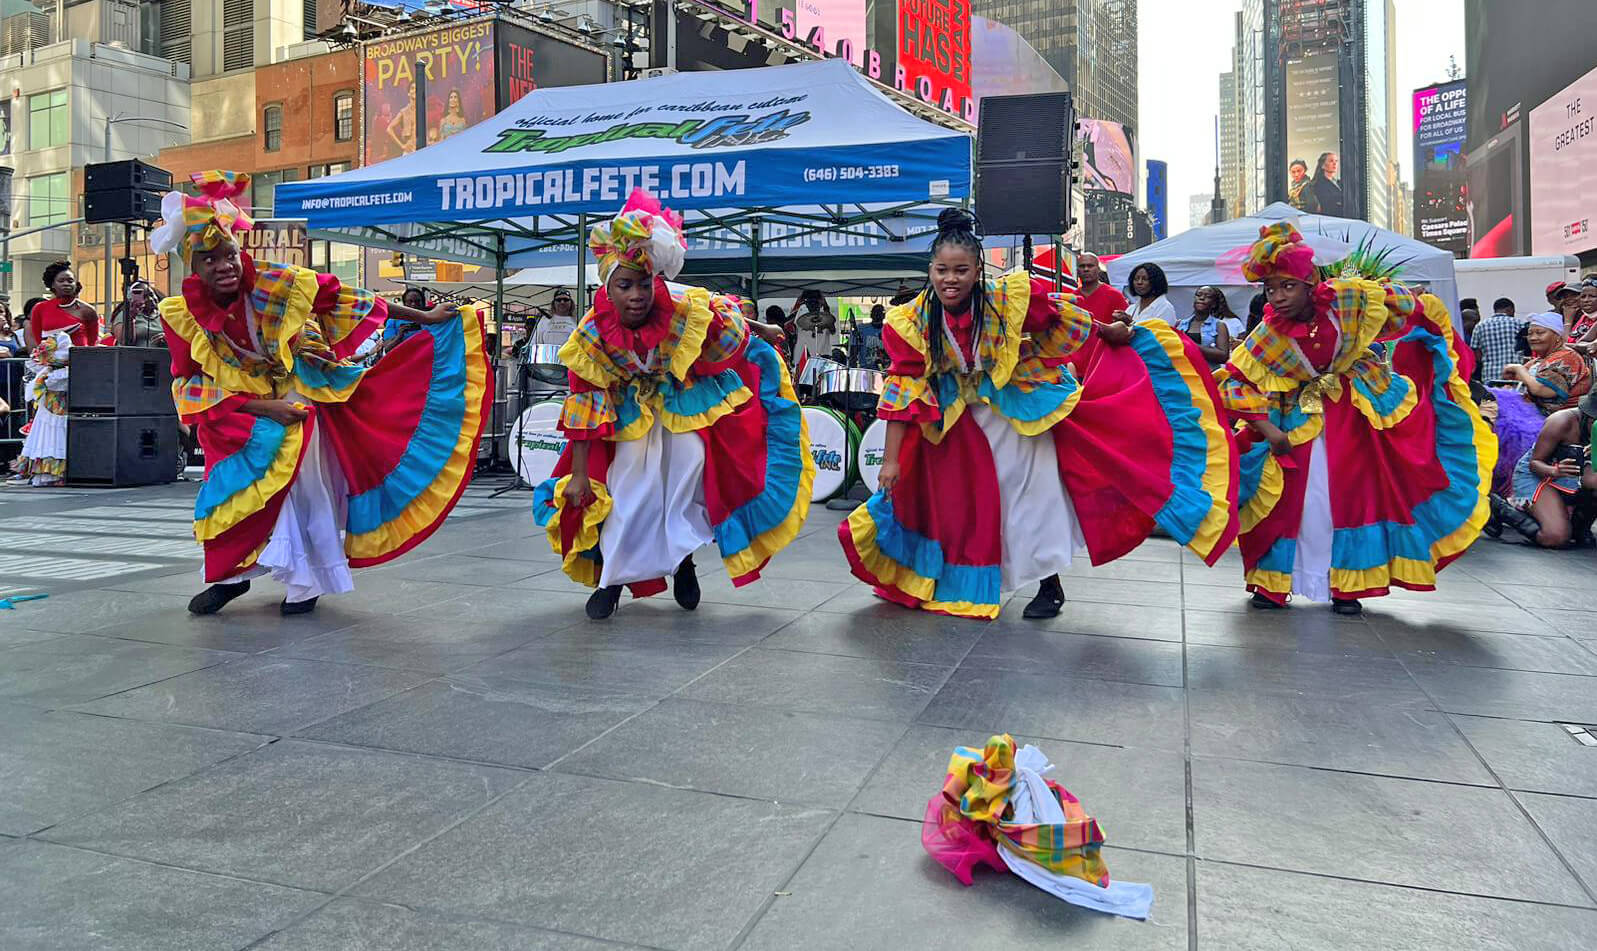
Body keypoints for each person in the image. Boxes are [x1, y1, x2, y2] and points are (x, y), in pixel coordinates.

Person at [838, 209, 1237, 621]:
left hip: (1018, 411)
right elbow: (903, 393)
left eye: (961, 270)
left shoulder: (1005, 300)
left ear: (978, 270)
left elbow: (1057, 316)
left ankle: (1050, 584)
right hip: (954, 424)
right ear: (930, 270)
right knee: (956, 507)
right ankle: (953, 577)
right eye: (942, 270)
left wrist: (1109, 330)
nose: (950, 279)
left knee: (1030, 498)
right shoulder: (910, 321)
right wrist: (890, 460)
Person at [150, 170, 492, 616]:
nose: (224, 265)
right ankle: (230, 576)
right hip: (238, 408)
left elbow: (352, 297)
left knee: (302, 483)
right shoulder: (178, 314)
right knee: (229, 489)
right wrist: (262, 407)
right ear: (192, 267)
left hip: (299, 387)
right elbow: (189, 381)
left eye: (229, 254)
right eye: (210, 259)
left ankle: (305, 581)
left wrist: (425, 318)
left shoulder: (280, 282)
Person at [532, 190, 814, 620]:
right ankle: (612, 579)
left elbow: (721, 311)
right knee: (627, 495)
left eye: (644, 284)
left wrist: (763, 330)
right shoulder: (591, 334)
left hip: (680, 404)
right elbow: (583, 404)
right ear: (607, 288)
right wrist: (580, 474)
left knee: (690, 474)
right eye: (625, 285)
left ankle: (683, 561)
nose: (637, 295)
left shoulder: (677, 305)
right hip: (629, 416)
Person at [1215, 221, 1494, 615]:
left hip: (1354, 414)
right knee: (1296, 501)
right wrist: (1269, 430)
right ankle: (1274, 583)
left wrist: (1417, 308)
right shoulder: (1268, 334)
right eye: (1271, 289)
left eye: (1287, 286)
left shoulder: (1349, 300)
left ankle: (1348, 585)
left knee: (1352, 497)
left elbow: (1405, 306)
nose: (1277, 297)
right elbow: (1231, 383)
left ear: (1310, 282)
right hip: (1296, 422)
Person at [1491, 390, 1597, 548]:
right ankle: (1501, 507)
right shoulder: (1561, 422)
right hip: (1540, 477)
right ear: (1588, 415)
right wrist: (1555, 471)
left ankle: (1580, 528)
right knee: (1555, 537)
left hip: (1574, 478)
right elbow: (1535, 464)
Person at [6, 331, 72, 486]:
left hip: (59, 409)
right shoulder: (49, 371)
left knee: (55, 435)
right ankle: (44, 472)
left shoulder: (63, 372)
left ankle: (56, 473)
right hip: (48, 409)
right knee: (45, 435)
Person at [1499, 312, 1592, 416]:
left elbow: (1542, 390)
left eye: (1540, 333)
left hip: (1562, 420)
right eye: (1530, 334)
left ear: (1558, 336)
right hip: (1533, 415)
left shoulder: (1568, 357)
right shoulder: (1537, 361)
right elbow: (1516, 383)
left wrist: (1519, 369)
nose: (1533, 338)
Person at [27, 262, 107, 348]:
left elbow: (92, 344)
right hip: (50, 356)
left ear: (75, 284)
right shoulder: (39, 308)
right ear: (52, 284)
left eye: (70, 281)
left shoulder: (88, 310)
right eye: (61, 281)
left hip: (80, 355)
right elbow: (38, 341)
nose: (66, 284)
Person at [1180, 285, 1245, 367]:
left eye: (1208, 296)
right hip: (1184, 371)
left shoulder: (1219, 325)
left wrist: (1191, 345)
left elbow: (1223, 356)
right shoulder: (1181, 324)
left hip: (1208, 372)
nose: (1202, 298)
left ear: (1214, 304)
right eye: (1199, 295)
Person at [1470, 297, 1525, 384]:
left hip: (1489, 375)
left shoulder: (1480, 326)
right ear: (1510, 309)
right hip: (1514, 375)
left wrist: (1486, 359)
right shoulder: (1518, 323)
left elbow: (1475, 351)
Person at [1073, 251, 1128, 324]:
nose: (1086, 269)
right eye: (1082, 266)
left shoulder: (1114, 295)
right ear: (1077, 271)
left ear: (1098, 269)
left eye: (1090, 266)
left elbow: (1127, 325)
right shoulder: (1072, 298)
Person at [113, 280, 166, 347]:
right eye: (145, 297)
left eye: (151, 294)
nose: (150, 299)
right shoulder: (125, 315)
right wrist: (132, 318)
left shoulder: (164, 315)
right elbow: (124, 341)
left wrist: (166, 338)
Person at [1304, 152, 1344, 216]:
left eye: (1336, 161)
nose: (1335, 163)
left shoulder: (1340, 183)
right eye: (1331, 161)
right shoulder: (1318, 184)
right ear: (1323, 165)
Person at [851, 303, 888, 369]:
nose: (877, 315)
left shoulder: (888, 330)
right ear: (871, 315)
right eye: (875, 313)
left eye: (880, 313)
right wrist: (853, 366)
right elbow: (854, 350)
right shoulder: (861, 328)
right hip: (866, 369)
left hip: (884, 369)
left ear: (884, 316)